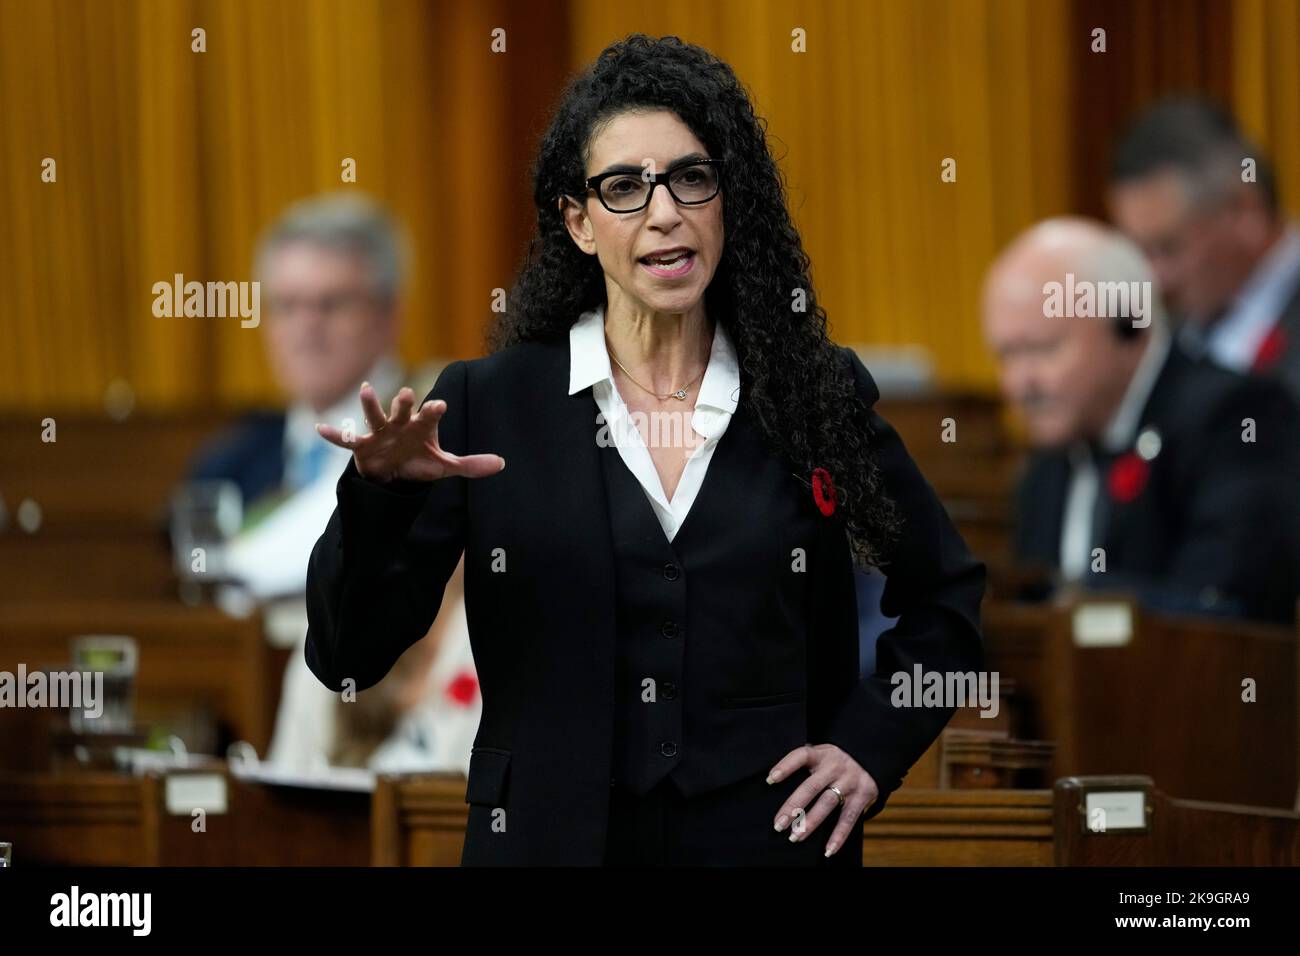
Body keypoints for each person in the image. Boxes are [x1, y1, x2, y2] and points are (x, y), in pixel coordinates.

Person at [305, 35, 985, 866]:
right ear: (580, 223)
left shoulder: (814, 391)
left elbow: (948, 598)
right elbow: (347, 657)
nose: (664, 212)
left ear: (728, 198)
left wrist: (867, 750)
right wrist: (380, 497)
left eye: (691, 177)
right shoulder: (493, 403)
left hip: (764, 844)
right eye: (624, 187)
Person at [982, 217, 1300, 625]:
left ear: (1129, 328)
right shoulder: (1050, 459)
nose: (1018, 384)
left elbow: (1222, 612)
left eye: (1041, 350)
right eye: (1005, 356)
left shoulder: (1237, 418)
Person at [1108, 97, 1300, 403]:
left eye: (1167, 248)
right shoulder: (1159, 339)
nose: (1155, 278)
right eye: (1140, 252)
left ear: (1244, 212)